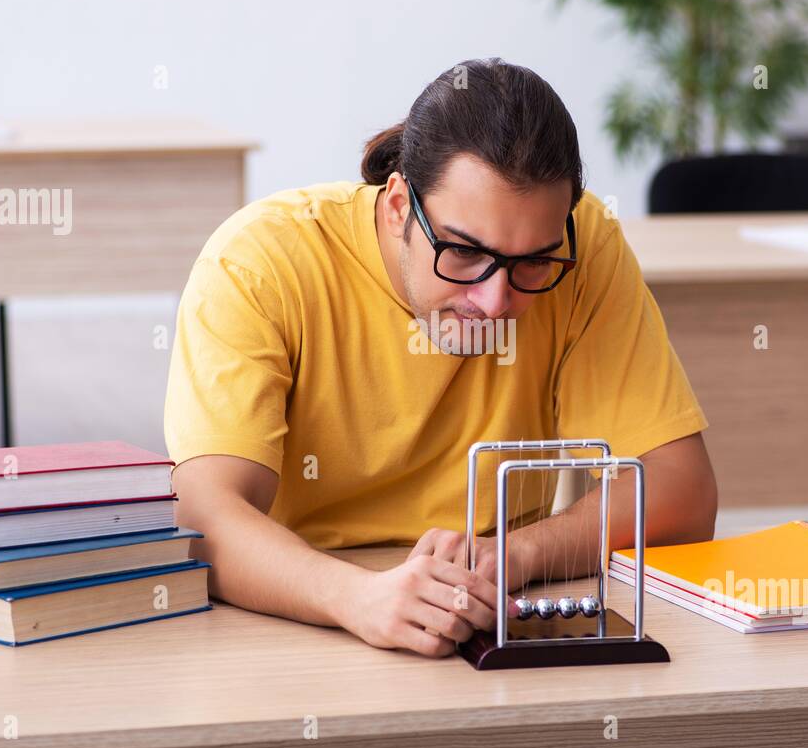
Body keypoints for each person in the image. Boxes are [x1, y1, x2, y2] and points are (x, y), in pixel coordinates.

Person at [164, 57, 716, 658]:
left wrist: (518, 553)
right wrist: (357, 598)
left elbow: (681, 493)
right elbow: (203, 517)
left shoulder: (584, 244)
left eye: (533, 261)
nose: (495, 300)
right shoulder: (258, 262)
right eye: (462, 252)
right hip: (298, 620)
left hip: (490, 617)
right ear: (400, 204)